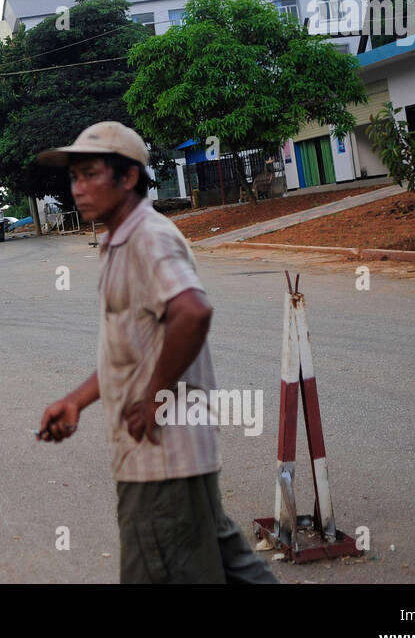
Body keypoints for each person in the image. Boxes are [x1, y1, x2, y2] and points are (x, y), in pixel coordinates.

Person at [36, 121, 276, 584]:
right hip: (176, 463)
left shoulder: (148, 236)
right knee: (236, 571)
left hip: (160, 464)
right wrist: (77, 401)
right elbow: (130, 352)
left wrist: (154, 397)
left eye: (89, 174)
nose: (78, 188)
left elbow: (193, 312)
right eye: (74, 177)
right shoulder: (119, 241)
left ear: (128, 178)